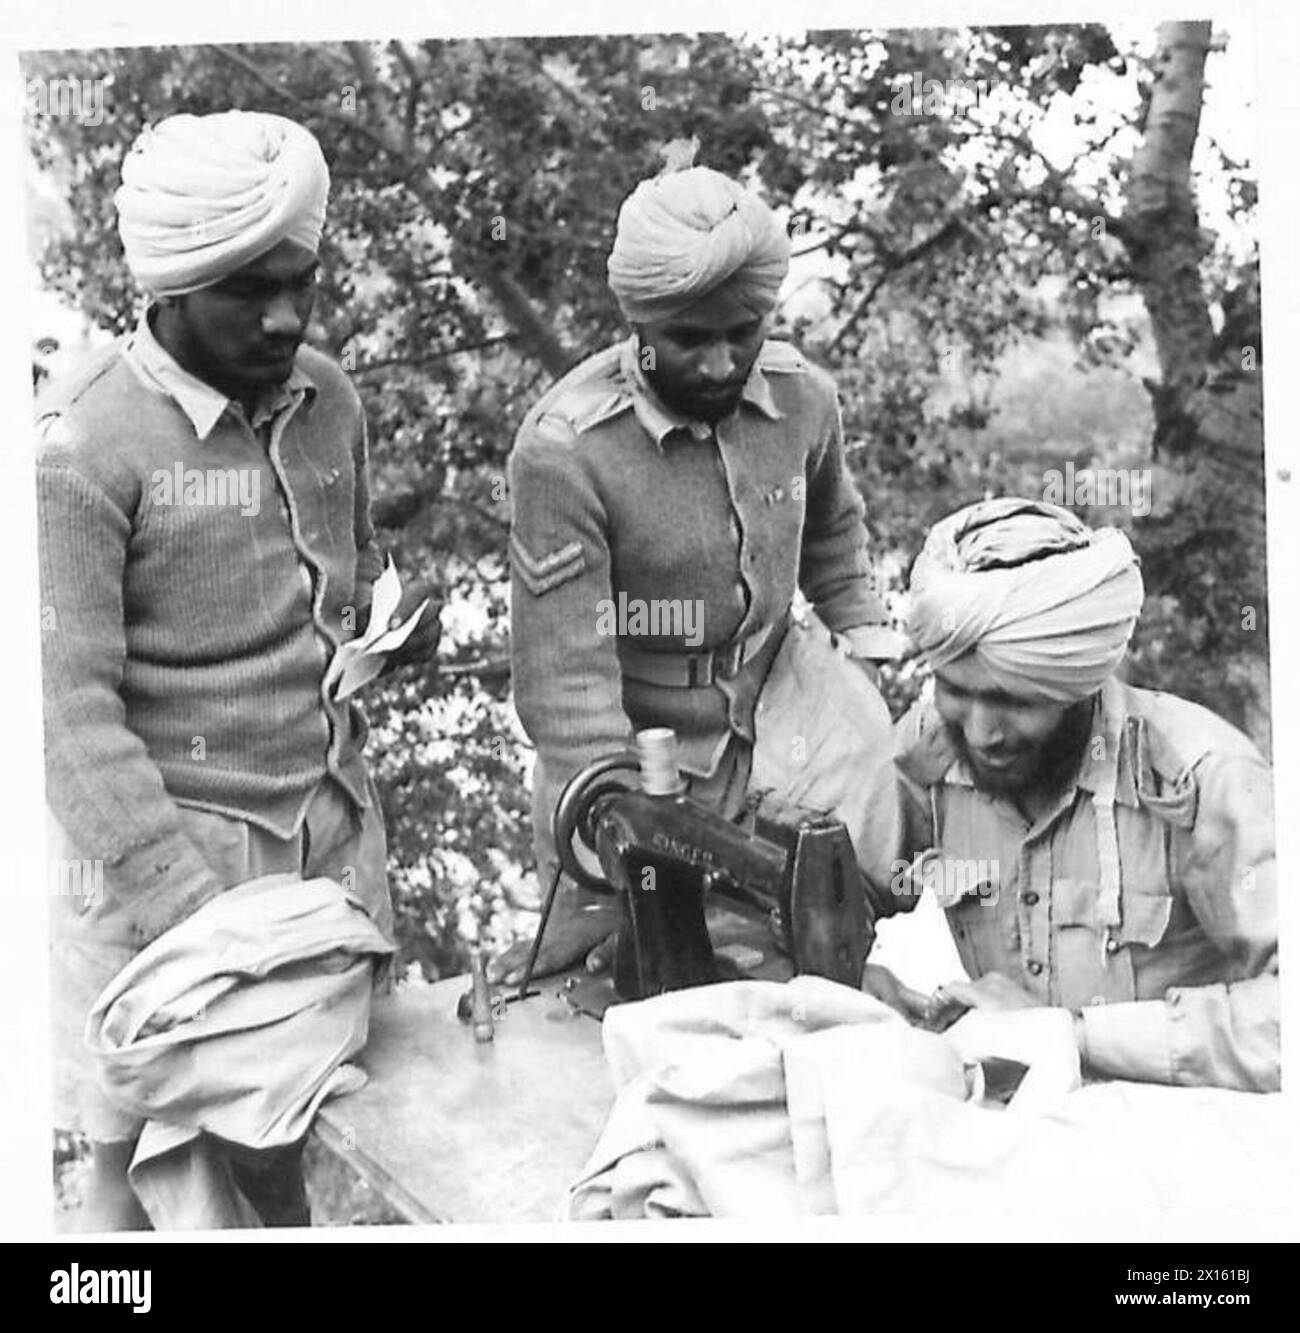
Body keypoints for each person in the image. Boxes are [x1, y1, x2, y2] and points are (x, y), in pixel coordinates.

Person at [38, 110, 440, 1229]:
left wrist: (399, 627)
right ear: (169, 284)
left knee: (306, 1149)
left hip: (327, 838)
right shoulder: (80, 446)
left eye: (300, 282)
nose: (283, 317)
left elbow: (353, 577)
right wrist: (190, 915)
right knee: (145, 1178)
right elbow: (61, 715)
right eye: (244, 290)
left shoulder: (330, 400)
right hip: (165, 864)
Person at [494, 153, 902, 986]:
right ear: (638, 323)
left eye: (741, 334)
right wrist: (620, 814)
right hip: (628, 742)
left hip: (781, 713)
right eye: (688, 339)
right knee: (626, 980)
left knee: (836, 948)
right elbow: (564, 682)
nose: (720, 365)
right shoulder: (565, 450)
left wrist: (863, 645)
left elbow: (834, 533)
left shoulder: (805, 400)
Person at [862, 497, 1277, 1092]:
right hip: (1020, 1130)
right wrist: (859, 979)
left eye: (1014, 701)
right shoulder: (933, 745)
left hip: (1179, 1144)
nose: (982, 734)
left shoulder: (1201, 779)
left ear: (1076, 685)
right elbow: (845, 883)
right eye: (955, 690)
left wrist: (1072, 1036)